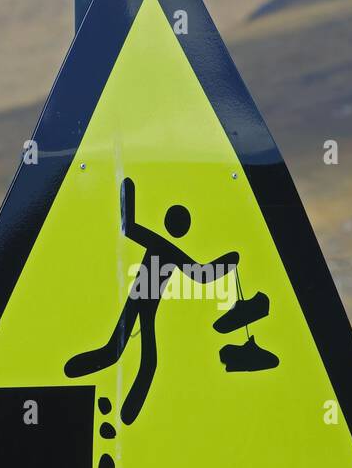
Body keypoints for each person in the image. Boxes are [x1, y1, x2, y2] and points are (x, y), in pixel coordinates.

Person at [65, 177, 237, 424]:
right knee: (126, 352)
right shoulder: (168, 249)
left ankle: (127, 411)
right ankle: (109, 396)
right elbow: (200, 273)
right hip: (141, 300)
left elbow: (130, 227)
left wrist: (127, 189)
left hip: (140, 301)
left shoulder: (161, 245)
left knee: (131, 353)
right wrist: (229, 262)